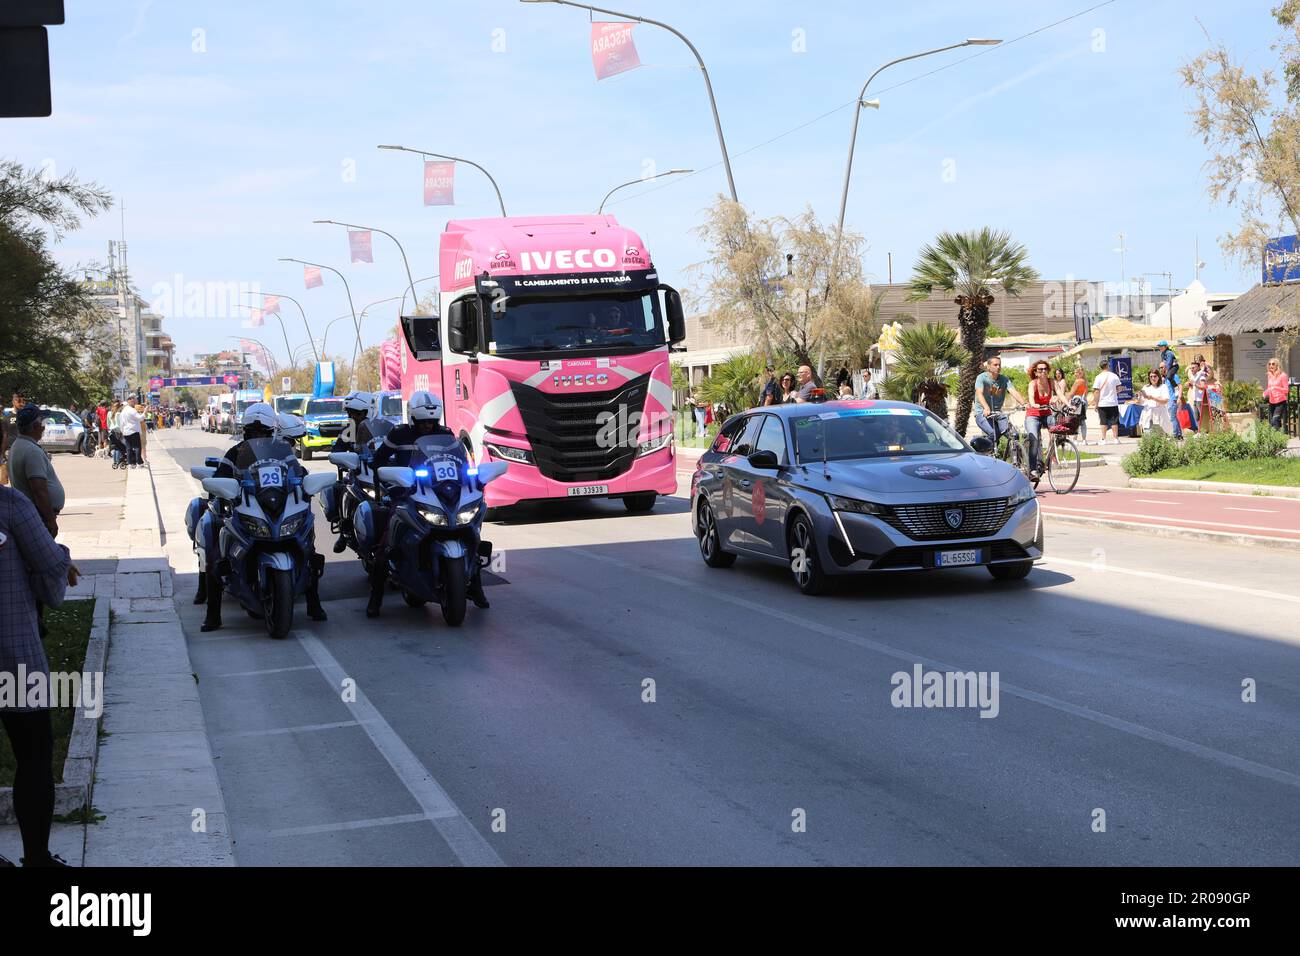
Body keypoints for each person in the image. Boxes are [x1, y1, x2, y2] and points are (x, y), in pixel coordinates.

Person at [0, 483, 78, 867]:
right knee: (33, 756)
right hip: (15, 657)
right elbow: (50, 563)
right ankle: (36, 860)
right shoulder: (10, 504)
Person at [205, 402, 326, 631]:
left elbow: (300, 473)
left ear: (272, 431)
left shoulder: (283, 451)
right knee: (216, 557)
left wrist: (303, 482)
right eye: (253, 432)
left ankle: (314, 603)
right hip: (246, 508)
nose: (258, 436)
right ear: (246, 431)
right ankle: (213, 616)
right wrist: (224, 487)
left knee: (308, 549)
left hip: (277, 507)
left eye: (263, 432)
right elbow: (219, 478)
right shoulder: (236, 452)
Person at [367, 391, 489, 616]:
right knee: (386, 543)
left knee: (471, 533)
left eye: (431, 422)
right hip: (407, 492)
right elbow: (378, 461)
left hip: (441, 493)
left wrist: (470, 477)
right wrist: (392, 478)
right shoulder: (399, 434)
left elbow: (460, 461)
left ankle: (476, 587)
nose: (427, 427)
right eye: (423, 423)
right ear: (413, 418)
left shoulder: (446, 434)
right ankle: (375, 600)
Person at [6, 407, 64, 538]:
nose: (44, 428)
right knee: (50, 556)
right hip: (38, 515)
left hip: (32, 513)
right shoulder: (31, 451)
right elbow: (38, 489)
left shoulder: (19, 445)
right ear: (35, 426)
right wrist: (50, 520)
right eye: (43, 424)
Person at [329, 391, 375, 554]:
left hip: (379, 473)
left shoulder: (381, 427)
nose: (353, 416)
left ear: (368, 411)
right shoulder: (350, 430)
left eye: (356, 413)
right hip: (357, 472)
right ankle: (344, 529)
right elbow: (337, 449)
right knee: (340, 488)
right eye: (350, 413)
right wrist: (342, 458)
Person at [973, 356, 1025, 441]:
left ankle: (1014, 453)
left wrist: (1024, 404)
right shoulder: (981, 378)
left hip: (998, 413)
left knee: (1014, 435)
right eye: (995, 365)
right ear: (988, 367)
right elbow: (979, 393)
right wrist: (986, 408)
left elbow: (1013, 391)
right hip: (982, 413)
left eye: (999, 365)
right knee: (994, 434)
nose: (998, 367)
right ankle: (986, 451)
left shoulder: (1004, 379)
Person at [1024, 360, 1054, 478]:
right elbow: (1031, 397)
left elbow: (1061, 394)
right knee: (1034, 440)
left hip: (1046, 413)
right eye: (1040, 369)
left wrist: (1068, 404)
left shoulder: (1051, 382)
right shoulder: (1033, 383)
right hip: (1033, 414)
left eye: (1045, 369)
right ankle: (1032, 470)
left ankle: (1047, 459)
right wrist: (1033, 404)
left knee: (1059, 432)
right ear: (1036, 372)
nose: (1043, 371)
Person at [1156, 340, 1183, 440]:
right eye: (1159, 346)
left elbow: (1169, 364)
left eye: (1161, 346)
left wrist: (1179, 397)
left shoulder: (1169, 353)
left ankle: (1175, 435)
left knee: (1172, 418)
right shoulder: (1163, 354)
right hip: (1168, 399)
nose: (1160, 347)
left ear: (1165, 346)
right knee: (1173, 418)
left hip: (1173, 368)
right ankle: (1178, 434)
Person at [1091, 358, 1122, 445]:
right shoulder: (1114, 376)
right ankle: (1116, 438)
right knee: (1114, 421)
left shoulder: (1098, 377)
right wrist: (1113, 391)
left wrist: (1096, 404)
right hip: (1113, 402)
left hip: (1102, 403)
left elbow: (1096, 391)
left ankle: (1103, 439)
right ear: (1108, 366)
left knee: (1103, 421)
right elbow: (1119, 388)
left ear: (1100, 367)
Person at [1, 389, 26, 486]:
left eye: (23, 401)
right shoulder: (7, 417)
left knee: (22, 478)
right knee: (12, 478)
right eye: (18, 401)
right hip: (10, 451)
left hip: (24, 449)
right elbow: (4, 435)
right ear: (13, 401)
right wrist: (2, 453)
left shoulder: (26, 416)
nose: (21, 403)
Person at [1138, 368, 1171, 435]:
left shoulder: (1163, 387)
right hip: (1148, 414)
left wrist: (1153, 398)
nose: (1153, 378)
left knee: (1160, 436)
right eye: (1151, 377)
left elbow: (1165, 401)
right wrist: (1139, 397)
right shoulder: (1145, 387)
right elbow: (1141, 402)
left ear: (1158, 377)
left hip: (1160, 414)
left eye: (1155, 376)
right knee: (1148, 435)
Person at [119, 398, 144, 468]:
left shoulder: (123, 412)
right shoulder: (132, 410)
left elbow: (121, 423)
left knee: (128, 448)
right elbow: (140, 418)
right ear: (129, 402)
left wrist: (122, 431)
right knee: (137, 447)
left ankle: (130, 463)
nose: (134, 403)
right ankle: (139, 462)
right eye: (133, 402)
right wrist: (145, 411)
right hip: (133, 431)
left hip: (126, 432)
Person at [1265, 358, 1289, 432]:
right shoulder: (1269, 375)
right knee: (1276, 422)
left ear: (1277, 365)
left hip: (1280, 402)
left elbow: (1286, 390)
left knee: (1274, 420)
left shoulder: (1283, 375)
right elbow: (1269, 388)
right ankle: (1279, 439)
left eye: (1273, 364)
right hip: (1272, 402)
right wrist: (1265, 393)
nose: (1271, 365)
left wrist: (1276, 388)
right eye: (1269, 364)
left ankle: (1277, 439)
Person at [1069, 367, 1091, 444]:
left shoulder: (1078, 381)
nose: (1074, 374)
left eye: (1076, 372)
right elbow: (1086, 392)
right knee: (1082, 421)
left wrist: (1066, 401)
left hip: (1077, 402)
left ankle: (1075, 439)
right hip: (1083, 402)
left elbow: (1071, 393)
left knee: (1076, 420)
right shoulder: (1085, 381)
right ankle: (1084, 439)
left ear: (1079, 373)